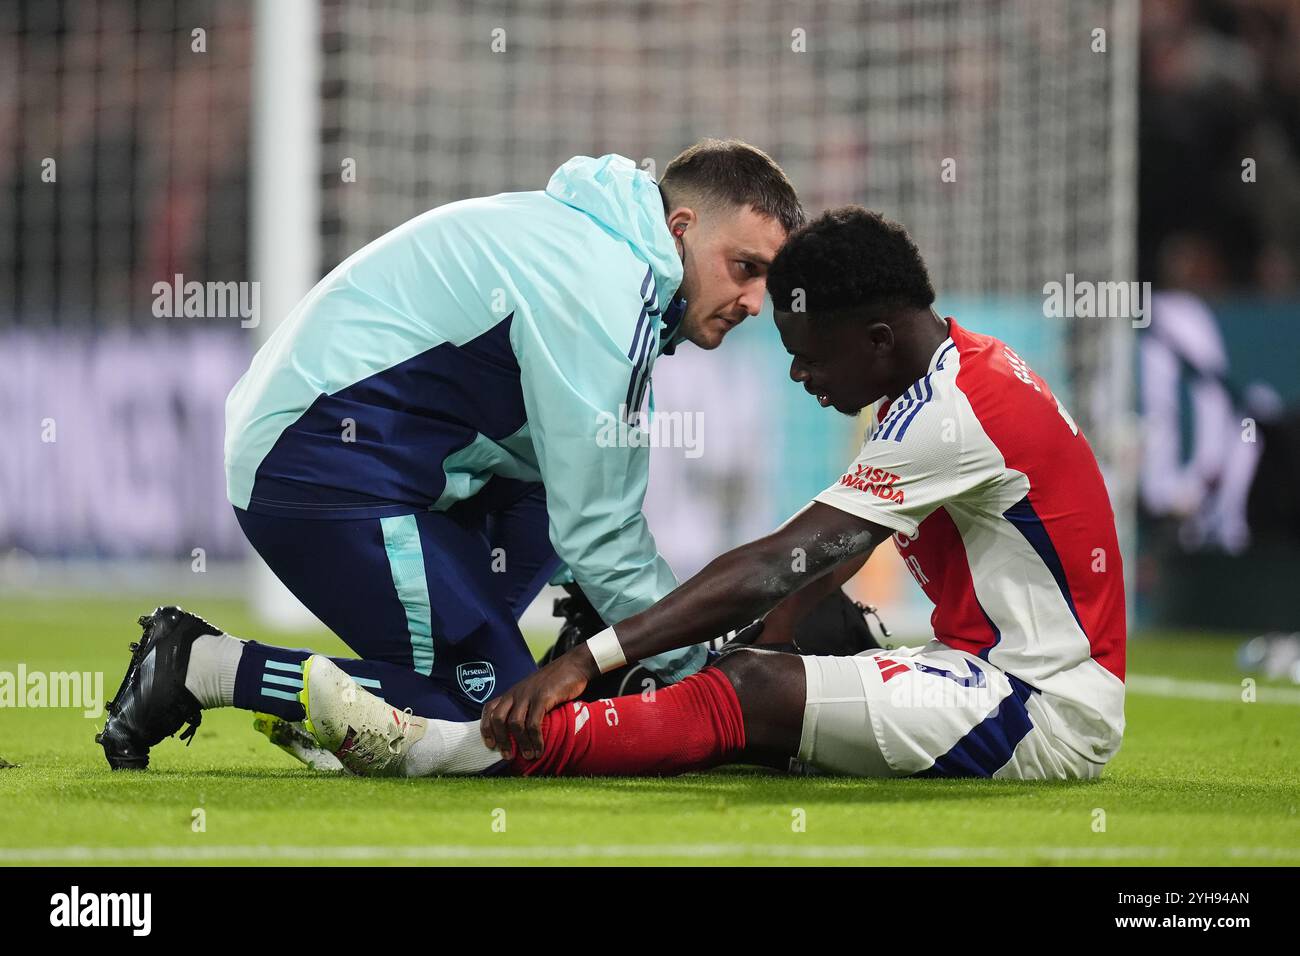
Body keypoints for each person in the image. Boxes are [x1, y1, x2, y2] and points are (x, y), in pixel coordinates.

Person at [296, 205, 1128, 781]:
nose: (798, 376)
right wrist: (780, 626)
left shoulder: (952, 412)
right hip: (983, 668)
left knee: (754, 686)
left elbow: (781, 559)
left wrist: (590, 659)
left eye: (809, 355)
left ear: (877, 338)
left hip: (1041, 707)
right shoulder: (951, 371)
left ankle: (450, 750)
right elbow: (848, 544)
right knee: (765, 662)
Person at [96, 140, 802, 771]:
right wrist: (698, 669)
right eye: (745, 267)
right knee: (499, 721)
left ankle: (404, 696)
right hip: (318, 461)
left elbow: (576, 485)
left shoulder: (601, 248)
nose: (754, 302)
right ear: (680, 228)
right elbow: (599, 530)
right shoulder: (605, 286)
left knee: (537, 557)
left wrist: (617, 632)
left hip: (364, 455)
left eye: (767, 281)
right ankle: (202, 665)